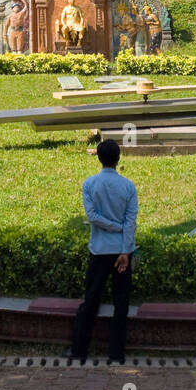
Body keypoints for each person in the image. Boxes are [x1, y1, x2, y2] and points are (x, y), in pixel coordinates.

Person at [68, 138, 138, 364]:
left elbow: (92, 217)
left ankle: (79, 350)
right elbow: (130, 222)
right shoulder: (128, 186)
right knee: (121, 303)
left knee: (90, 301)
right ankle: (116, 353)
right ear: (118, 159)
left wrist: (113, 228)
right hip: (122, 253)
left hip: (99, 251)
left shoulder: (89, 184)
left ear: (98, 158)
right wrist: (125, 250)